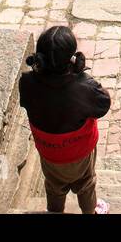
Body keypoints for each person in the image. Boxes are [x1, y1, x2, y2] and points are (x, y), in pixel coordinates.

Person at [19, 26, 111, 214]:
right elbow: (103, 104)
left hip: (48, 152)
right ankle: (90, 211)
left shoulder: (27, 83)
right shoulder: (85, 87)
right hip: (80, 152)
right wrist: (80, 74)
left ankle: (55, 212)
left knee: (53, 185)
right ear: (72, 58)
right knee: (86, 183)